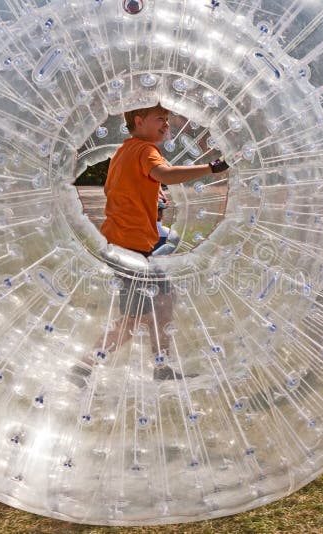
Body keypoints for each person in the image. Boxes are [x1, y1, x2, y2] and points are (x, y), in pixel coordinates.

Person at [89, 103, 228, 381]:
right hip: (130, 251)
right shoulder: (145, 150)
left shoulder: (123, 152)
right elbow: (164, 175)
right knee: (132, 322)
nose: (166, 125)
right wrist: (213, 168)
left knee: (164, 301)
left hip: (129, 248)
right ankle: (83, 366)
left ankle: (162, 367)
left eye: (167, 119)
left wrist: (151, 199)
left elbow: (114, 190)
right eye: (160, 119)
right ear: (139, 121)